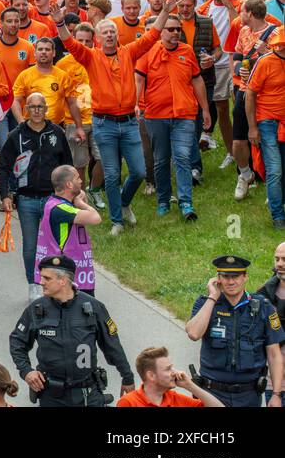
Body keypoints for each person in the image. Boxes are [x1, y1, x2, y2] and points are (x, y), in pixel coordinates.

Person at [54, 0, 180, 230]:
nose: (109, 35)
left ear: (117, 35)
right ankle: (117, 221)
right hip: (104, 124)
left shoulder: (129, 52)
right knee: (112, 175)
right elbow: (68, 42)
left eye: (112, 32)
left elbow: (153, 34)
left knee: (139, 172)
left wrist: (165, 11)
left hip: (129, 122)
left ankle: (123, 203)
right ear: (99, 38)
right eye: (105, 33)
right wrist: (60, 21)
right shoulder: (90, 57)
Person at [10, 255, 135, 407]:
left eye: (47, 278)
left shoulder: (94, 307)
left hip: (88, 393)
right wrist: (26, 371)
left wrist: (127, 377)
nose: (41, 282)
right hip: (51, 395)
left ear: (62, 281)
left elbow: (112, 346)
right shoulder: (36, 310)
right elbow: (17, 341)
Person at [0, 94, 77, 298]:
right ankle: (34, 283)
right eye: (32, 107)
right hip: (27, 200)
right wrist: (5, 195)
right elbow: (4, 167)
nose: (36, 111)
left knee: (59, 243)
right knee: (31, 246)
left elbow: (68, 166)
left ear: (46, 109)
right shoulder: (17, 135)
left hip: (54, 200)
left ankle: (61, 284)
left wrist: (72, 195)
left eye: (40, 106)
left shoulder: (56, 132)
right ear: (26, 110)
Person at [137, 7, 211, 221]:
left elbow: (197, 79)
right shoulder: (148, 51)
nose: (175, 32)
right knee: (161, 160)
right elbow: (138, 78)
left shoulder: (187, 51)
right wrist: (135, 104)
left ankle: (186, 202)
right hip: (156, 115)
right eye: (170, 29)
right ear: (161, 32)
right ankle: (163, 200)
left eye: (178, 29)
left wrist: (205, 108)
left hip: (185, 114)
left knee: (183, 157)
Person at [184, 254, 285, 407]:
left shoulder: (264, 307)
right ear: (218, 279)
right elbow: (193, 333)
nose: (231, 281)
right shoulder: (205, 303)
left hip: (249, 395)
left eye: (236, 276)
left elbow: (274, 354)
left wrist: (276, 394)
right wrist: (213, 297)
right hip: (211, 392)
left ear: (245, 277)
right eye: (225, 276)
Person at [31, 165, 102, 297]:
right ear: (69, 184)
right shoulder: (61, 209)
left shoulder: (53, 202)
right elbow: (95, 218)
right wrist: (80, 203)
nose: (81, 181)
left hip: (67, 273)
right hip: (68, 275)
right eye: (77, 178)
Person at [246, 27, 285, 229]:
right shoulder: (265, 62)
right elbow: (250, 94)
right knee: (275, 170)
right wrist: (253, 127)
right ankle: (278, 217)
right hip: (268, 122)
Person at [116, 346, 224, 407]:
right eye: (168, 369)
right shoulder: (129, 402)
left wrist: (190, 386)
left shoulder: (175, 399)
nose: (174, 372)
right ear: (151, 375)